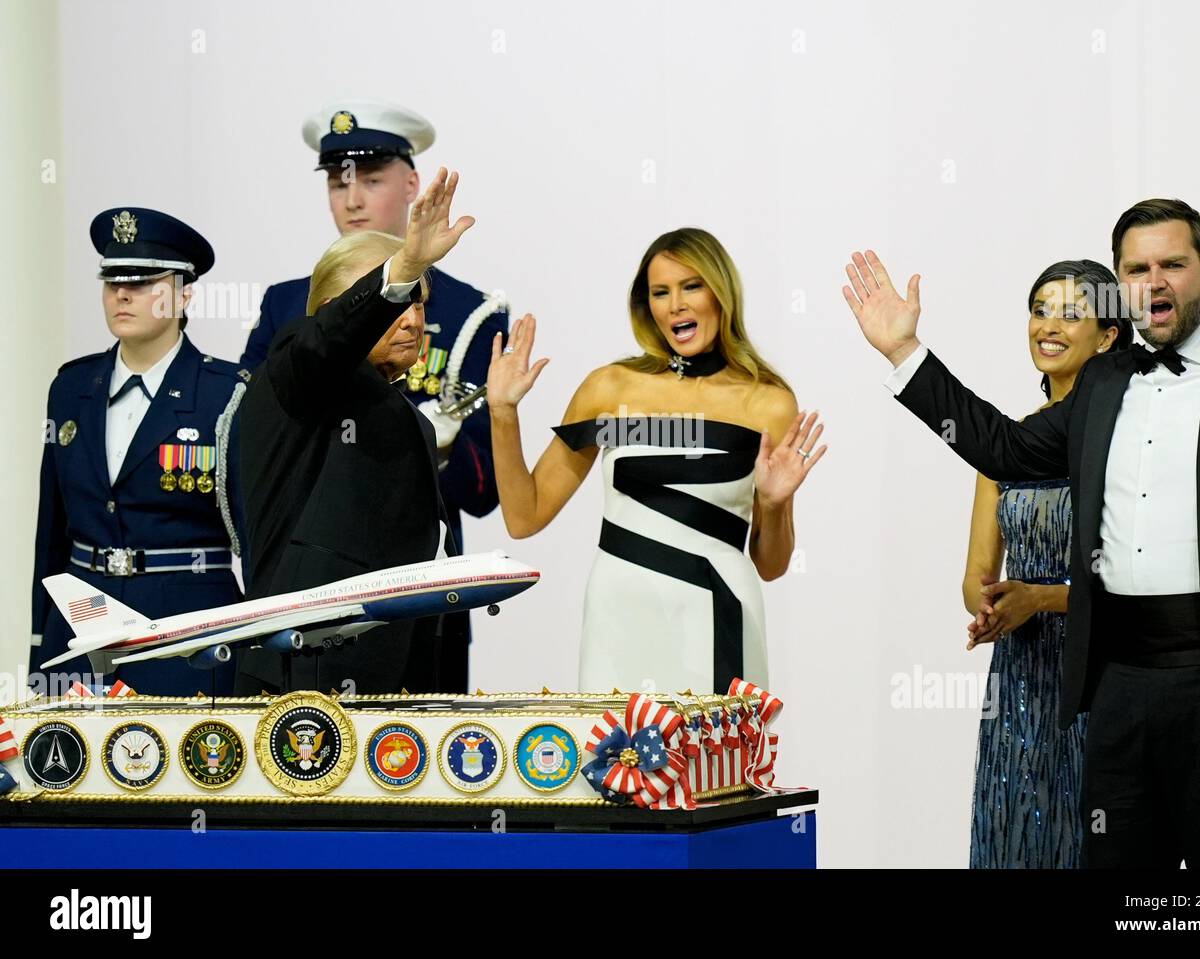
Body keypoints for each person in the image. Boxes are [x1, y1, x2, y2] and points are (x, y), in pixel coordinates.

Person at [844, 198, 1200, 868]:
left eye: (1173, 263)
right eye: (1138, 268)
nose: (1157, 282)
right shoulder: (1103, 385)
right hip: (1116, 687)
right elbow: (1001, 448)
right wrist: (907, 353)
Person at [487, 227, 826, 695]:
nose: (676, 305)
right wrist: (503, 413)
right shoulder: (609, 387)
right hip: (618, 617)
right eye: (660, 292)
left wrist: (772, 503)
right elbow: (524, 517)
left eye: (691, 286)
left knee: (716, 769)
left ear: (721, 293)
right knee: (617, 765)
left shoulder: (767, 403)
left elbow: (771, 565)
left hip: (718, 612)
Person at [240, 98, 506, 691]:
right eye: (337, 181)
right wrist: (402, 269)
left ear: (412, 185)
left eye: (420, 299)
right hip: (313, 651)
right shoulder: (296, 334)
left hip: (411, 637)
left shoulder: (472, 313)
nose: (352, 197)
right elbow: (321, 355)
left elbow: (480, 492)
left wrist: (490, 422)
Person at [31, 207, 247, 696]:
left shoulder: (226, 392)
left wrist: (262, 657)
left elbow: (253, 538)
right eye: (112, 281)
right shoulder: (70, 387)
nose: (123, 294)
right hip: (78, 628)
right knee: (68, 769)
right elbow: (52, 530)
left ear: (184, 292)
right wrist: (38, 641)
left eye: (144, 281)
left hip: (189, 633)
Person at [962, 260, 1132, 868]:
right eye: (1039, 310)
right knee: (1012, 838)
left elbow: (1131, 577)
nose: (1048, 326)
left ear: (1109, 335)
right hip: (1021, 683)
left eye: (1070, 312)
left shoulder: (1129, 437)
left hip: (1104, 672)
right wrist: (992, 610)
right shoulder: (1004, 444)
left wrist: (1042, 597)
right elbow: (976, 576)